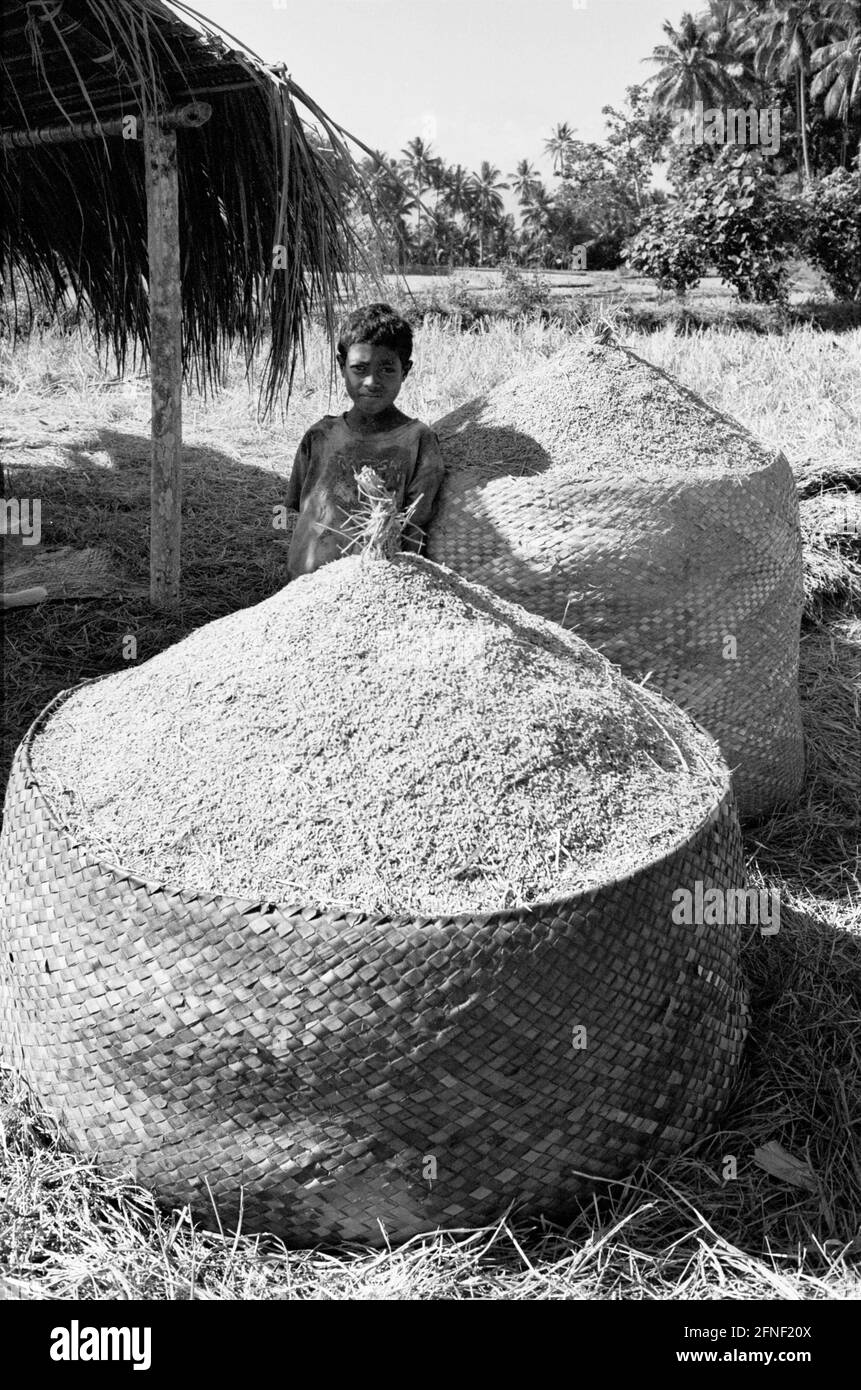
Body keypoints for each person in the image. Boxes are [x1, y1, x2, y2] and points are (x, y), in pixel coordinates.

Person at [284, 303, 446, 579]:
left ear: (405, 371)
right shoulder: (320, 436)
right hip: (304, 588)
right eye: (360, 368)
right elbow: (295, 511)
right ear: (341, 367)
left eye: (386, 369)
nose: (372, 381)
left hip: (372, 589)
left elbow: (414, 528)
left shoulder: (418, 442)